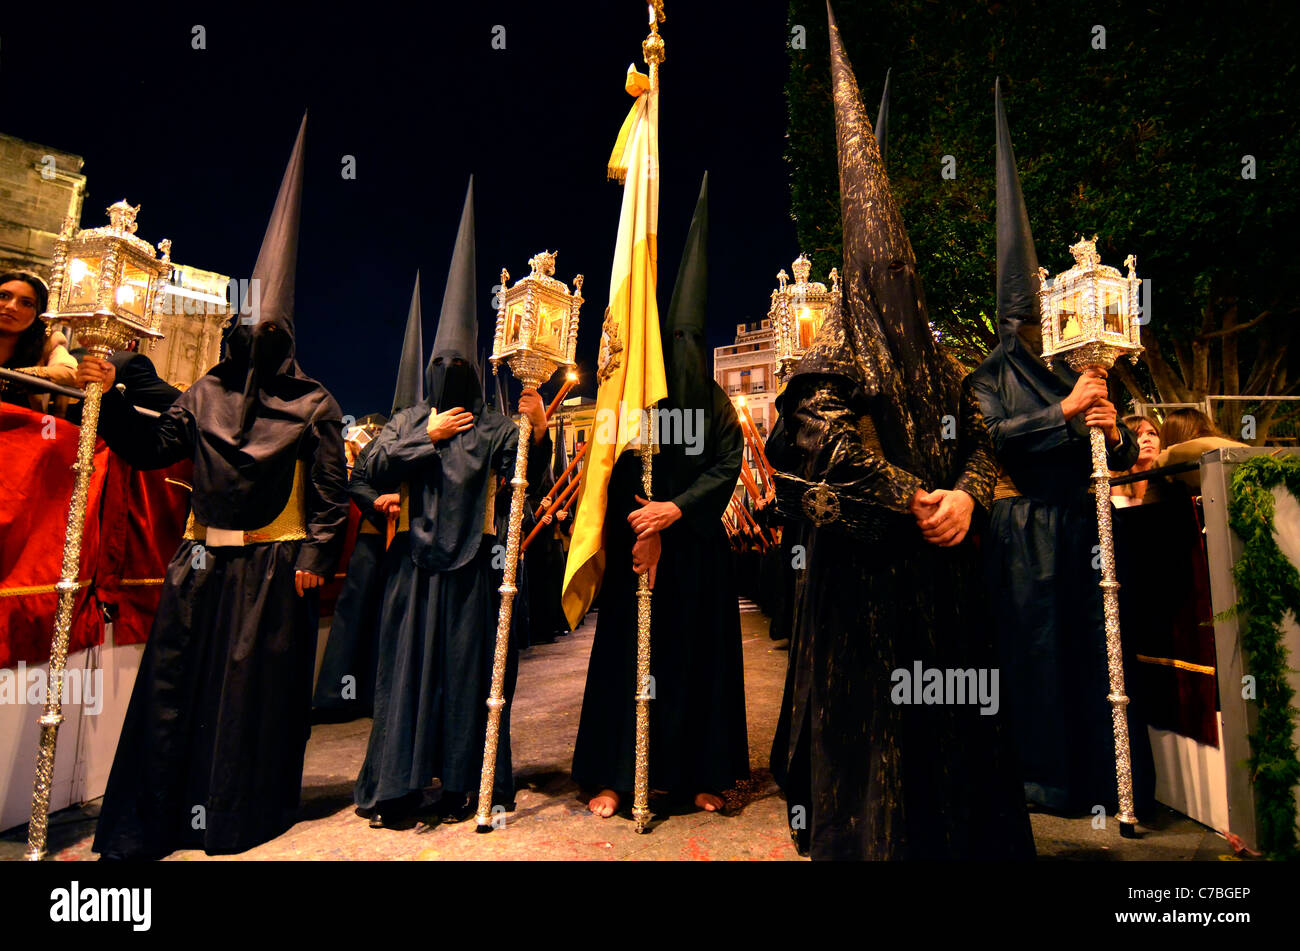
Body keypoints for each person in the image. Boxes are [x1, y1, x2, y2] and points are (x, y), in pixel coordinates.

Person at [766, 21, 1032, 860]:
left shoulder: (942, 355)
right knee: (878, 766)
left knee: (954, 760)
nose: (898, 280)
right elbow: (826, 441)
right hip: (866, 592)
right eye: (884, 269)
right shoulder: (829, 346)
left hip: (944, 590)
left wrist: (964, 494)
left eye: (903, 270)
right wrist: (912, 496)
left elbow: (983, 439)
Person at [79, 116, 351, 859]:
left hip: (272, 568)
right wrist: (104, 401)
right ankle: (157, 818)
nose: (252, 345)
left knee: (247, 700)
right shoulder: (201, 393)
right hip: (198, 562)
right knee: (175, 688)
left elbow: (332, 491)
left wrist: (315, 561)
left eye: (267, 333)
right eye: (246, 330)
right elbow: (152, 451)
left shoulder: (315, 403)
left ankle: (235, 813)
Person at [968, 82, 1154, 817]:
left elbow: (1128, 443)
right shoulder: (987, 376)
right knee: (1035, 664)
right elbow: (989, 437)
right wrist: (1064, 414)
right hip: (1021, 540)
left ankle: (1108, 783)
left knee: (1095, 658)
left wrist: (1123, 431)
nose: (1024, 328)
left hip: (1085, 530)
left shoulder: (1081, 360)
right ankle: (1040, 782)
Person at [352, 179, 553, 828]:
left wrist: (538, 435)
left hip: (474, 573)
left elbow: (530, 484)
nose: (451, 373)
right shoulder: (411, 418)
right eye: (443, 364)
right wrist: (424, 436)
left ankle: (471, 779)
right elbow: (370, 465)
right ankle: (402, 783)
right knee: (407, 680)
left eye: (461, 363)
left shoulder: (494, 428)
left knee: (467, 681)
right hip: (414, 569)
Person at [572, 174, 751, 820]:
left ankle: (700, 773)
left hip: (699, 552)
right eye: (675, 340)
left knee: (697, 668)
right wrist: (642, 524)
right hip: (644, 551)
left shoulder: (719, 403)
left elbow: (728, 463)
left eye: (690, 343)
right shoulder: (641, 397)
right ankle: (618, 775)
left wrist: (676, 510)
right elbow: (620, 465)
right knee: (631, 662)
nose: (683, 353)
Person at [314, 275, 424, 719]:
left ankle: (386, 697)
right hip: (374, 538)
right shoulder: (380, 441)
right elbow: (357, 480)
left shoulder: (428, 436)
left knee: (394, 617)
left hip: (409, 542)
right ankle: (339, 698)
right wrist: (376, 502)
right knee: (356, 614)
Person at [0, 271, 77, 410]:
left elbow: (70, 372)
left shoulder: (48, 342)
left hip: (20, 427)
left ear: (39, 314)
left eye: (26, 303)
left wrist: (11, 378)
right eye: (3, 296)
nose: (11, 306)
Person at [1111, 415, 1162, 505]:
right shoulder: (1108, 479)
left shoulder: (1169, 479)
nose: (1146, 439)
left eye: (1151, 433)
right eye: (1136, 435)